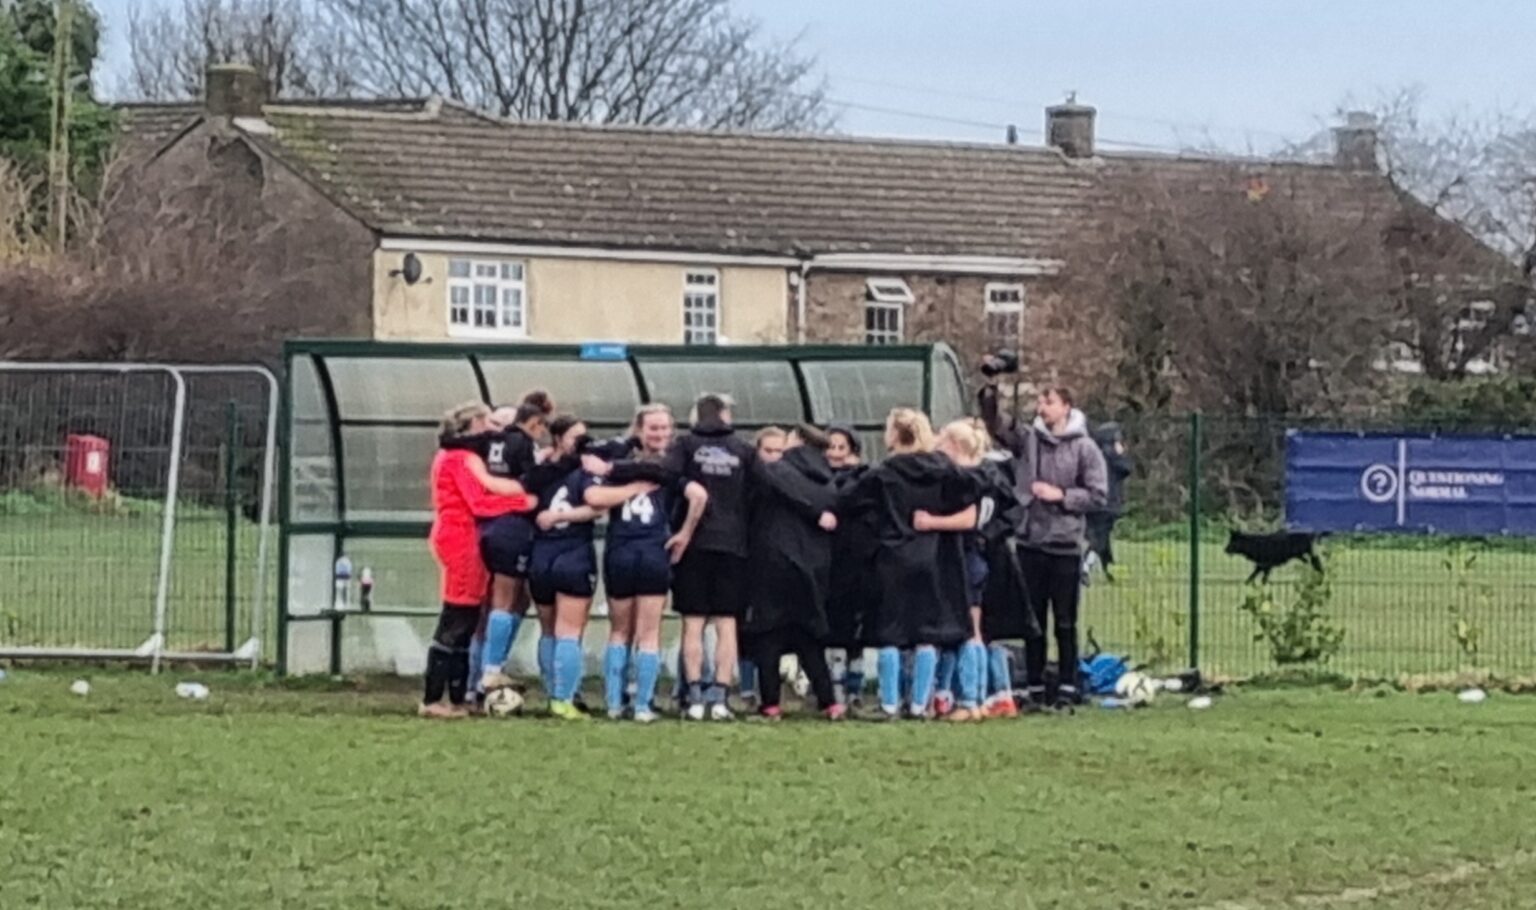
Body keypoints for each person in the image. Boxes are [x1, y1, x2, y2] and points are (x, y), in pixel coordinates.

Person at [840, 409, 979, 720]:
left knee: (891, 633)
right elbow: (973, 488)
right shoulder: (943, 469)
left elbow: (848, 499)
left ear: (893, 434)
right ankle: (920, 704)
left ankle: (890, 703)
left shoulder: (884, 472)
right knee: (927, 633)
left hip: (892, 558)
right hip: (933, 559)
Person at [979, 383, 1108, 709]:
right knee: (1032, 619)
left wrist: (1062, 496)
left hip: (1064, 545)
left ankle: (1067, 685)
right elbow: (998, 428)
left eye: (1048, 401)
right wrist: (989, 393)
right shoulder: (1029, 439)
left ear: (1066, 406)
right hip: (1029, 542)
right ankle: (1034, 686)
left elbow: (1098, 494)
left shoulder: (1085, 448)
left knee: (1065, 620)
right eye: (1039, 400)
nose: (1041, 407)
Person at [585, 404, 708, 722]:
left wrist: (683, 533)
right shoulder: (671, 470)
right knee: (646, 633)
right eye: (654, 428)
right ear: (639, 430)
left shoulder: (619, 465)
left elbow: (595, 496)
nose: (660, 434)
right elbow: (699, 495)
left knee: (620, 631)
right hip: (650, 550)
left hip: (622, 551)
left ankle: (615, 703)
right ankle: (641, 705)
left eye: (665, 428)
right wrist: (684, 533)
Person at [524, 415, 651, 720]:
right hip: (572, 553)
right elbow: (596, 501)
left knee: (548, 631)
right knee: (569, 631)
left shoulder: (541, 472)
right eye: (576, 437)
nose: (584, 444)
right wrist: (634, 488)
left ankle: (553, 693)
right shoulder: (583, 470)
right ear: (558, 440)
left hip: (540, 554)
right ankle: (563, 700)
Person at [422, 402, 535, 718]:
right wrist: (525, 501)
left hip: (462, 536)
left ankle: (457, 698)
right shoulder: (460, 458)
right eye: (487, 420)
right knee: (457, 617)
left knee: (469, 617)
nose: (493, 428)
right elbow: (479, 501)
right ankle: (433, 699)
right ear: (472, 423)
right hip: (460, 538)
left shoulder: (458, 455)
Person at [664, 393, 757, 721]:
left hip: (692, 545)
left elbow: (669, 479)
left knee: (692, 622)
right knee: (726, 623)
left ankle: (694, 697)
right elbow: (758, 491)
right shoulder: (744, 450)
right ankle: (720, 697)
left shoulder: (685, 446)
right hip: (733, 545)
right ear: (724, 415)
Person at [743, 424, 843, 720]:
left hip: (773, 560)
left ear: (796, 441)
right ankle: (830, 702)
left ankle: (771, 703)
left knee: (769, 633)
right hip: (814, 564)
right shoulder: (827, 480)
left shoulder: (777, 472)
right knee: (808, 636)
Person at [933, 419, 1027, 722]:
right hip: (993, 557)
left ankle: (971, 700)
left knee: (970, 631)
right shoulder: (995, 476)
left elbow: (973, 521)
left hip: (971, 557)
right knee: (988, 632)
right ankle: (1000, 696)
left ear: (956, 446)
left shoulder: (970, 480)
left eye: (943, 442)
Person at [473, 397, 550, 699]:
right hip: (512, 527)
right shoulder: (523, 444)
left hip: (486, 525)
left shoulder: (484, 447)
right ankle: (489, 672)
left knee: (506, 602)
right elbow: (532, 482)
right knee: (503, 599)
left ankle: (480, 677)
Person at [737, 425, 788, 709]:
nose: (774, 457)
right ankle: (746, 688)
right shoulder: (748, 483)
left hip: (778, 566)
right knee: (746, 626)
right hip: (749, 560)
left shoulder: (790, 483)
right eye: (768, 451)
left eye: (780, 451)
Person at [824, 424, 873, 707]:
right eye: (831, 447)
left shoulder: (865, 478)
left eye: (842, 447)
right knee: (833, 625)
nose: (836, 454)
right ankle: (835, 685)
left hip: (858, 559)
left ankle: (854, 686)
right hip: (829, 559)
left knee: (857, 627)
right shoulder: (819, 479)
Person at [1084, 422, 1132, 583]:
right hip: (1108, 504)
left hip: (1092, 502)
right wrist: (1120, 453)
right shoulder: (1112, 456)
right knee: (1100, 539)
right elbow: (1127, 468)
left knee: (1101, 537)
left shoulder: (1093, 455)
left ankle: (1108, 569)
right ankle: (1085, 566)